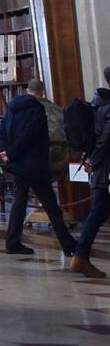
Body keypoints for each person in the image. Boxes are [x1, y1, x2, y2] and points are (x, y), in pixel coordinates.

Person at [0, 78, 77, 258]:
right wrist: (11, 152)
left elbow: (2, 130)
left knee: (19, 204)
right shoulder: (37, 109)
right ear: (42, 92)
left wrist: (6, 151)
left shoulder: (12, 107)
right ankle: (68, 244)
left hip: (17, 165)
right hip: (33, 164)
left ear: (27, 90)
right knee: (51, 207)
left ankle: (12, 242)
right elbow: (30, 135)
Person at [70, 67, 110, 279]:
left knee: (99, 212)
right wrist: (94, 163)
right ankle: (81, 255)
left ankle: (81, 255)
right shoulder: (108, 108)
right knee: (97, 213)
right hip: (106, 171)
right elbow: (106, 139)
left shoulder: (99, 106)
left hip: (101, 170)